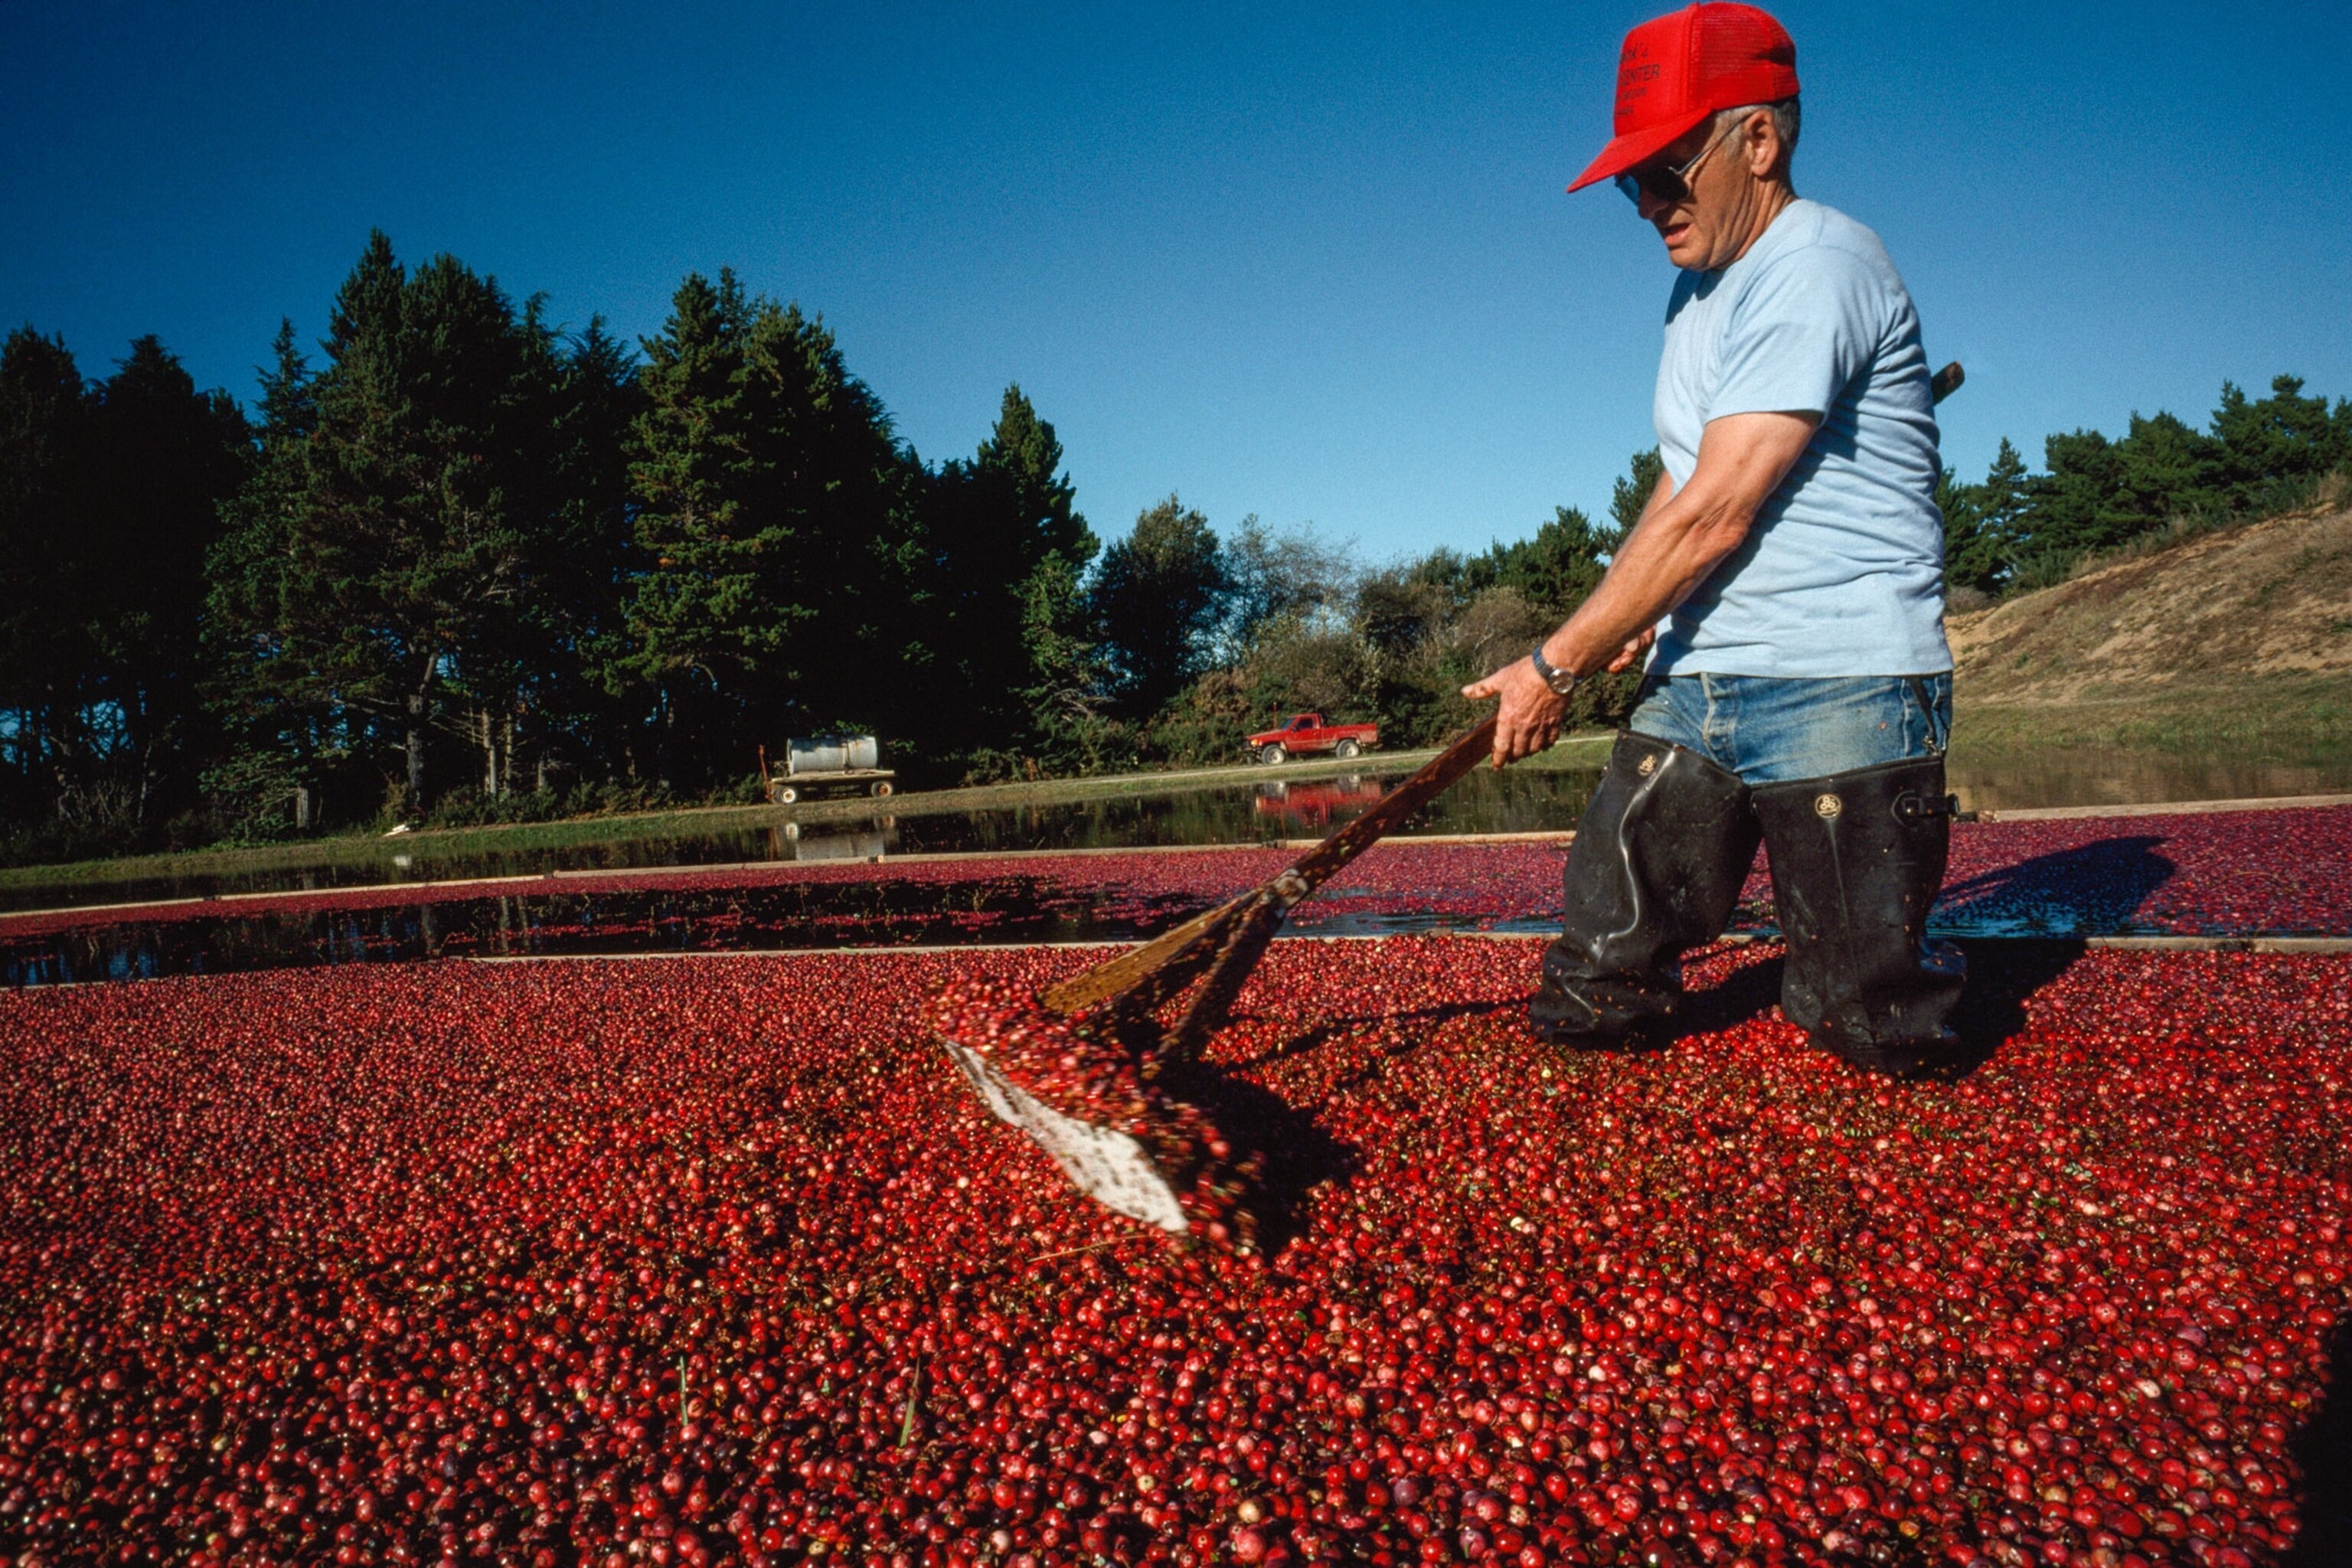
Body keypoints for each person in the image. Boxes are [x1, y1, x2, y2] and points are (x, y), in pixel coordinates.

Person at [1462, 0, 1964, 1076]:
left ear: (1759, 140)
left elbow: (1721, 509)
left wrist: (1560, 663)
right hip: (1704, 677)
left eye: (1666, 170)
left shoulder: (1818, 265)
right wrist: (1632, 615)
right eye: (1630, 182)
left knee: (1870, 1026)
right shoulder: (1698, 296)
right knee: (1599, 981)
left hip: (1844, 681)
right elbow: (1677, 488)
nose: (1645, 203)